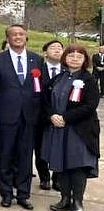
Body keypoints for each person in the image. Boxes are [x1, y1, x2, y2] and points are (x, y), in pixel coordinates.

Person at [42, 45, 100, 211]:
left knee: (77, 166)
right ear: (65, 58)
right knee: (61, 165)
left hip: (79, 130)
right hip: (58, 129)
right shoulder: (58, 78)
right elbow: (45, 100)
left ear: (84, 60)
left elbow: (90, 105)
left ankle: (77, 201)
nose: (74, 58)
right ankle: (64, 198)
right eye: (71, 55)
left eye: (79, 56)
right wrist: (51, 115)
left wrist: (66, 118)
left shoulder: (88, 80)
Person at [0, 24, 43, 210]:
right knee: (5, 156)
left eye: (21, 34)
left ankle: (23, 194)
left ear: (26, 37)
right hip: (6, 116)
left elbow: (41, 89)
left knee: (25, 157)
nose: (18, 37)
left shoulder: (37, 60)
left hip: (29, 117)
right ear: (8, 38)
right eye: (14, 34)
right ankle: (6, 194)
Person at [36, 40, 65, 191]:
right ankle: (44, 177)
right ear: (45, 52)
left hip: (62, 117)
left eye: (60, 48)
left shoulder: (67, 70)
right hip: (42, 116)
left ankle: (57, 178)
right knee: (40, 147)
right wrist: (49, 114)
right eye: (53, 48)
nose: (57, 50)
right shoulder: (37, 69)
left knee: (59, 147)